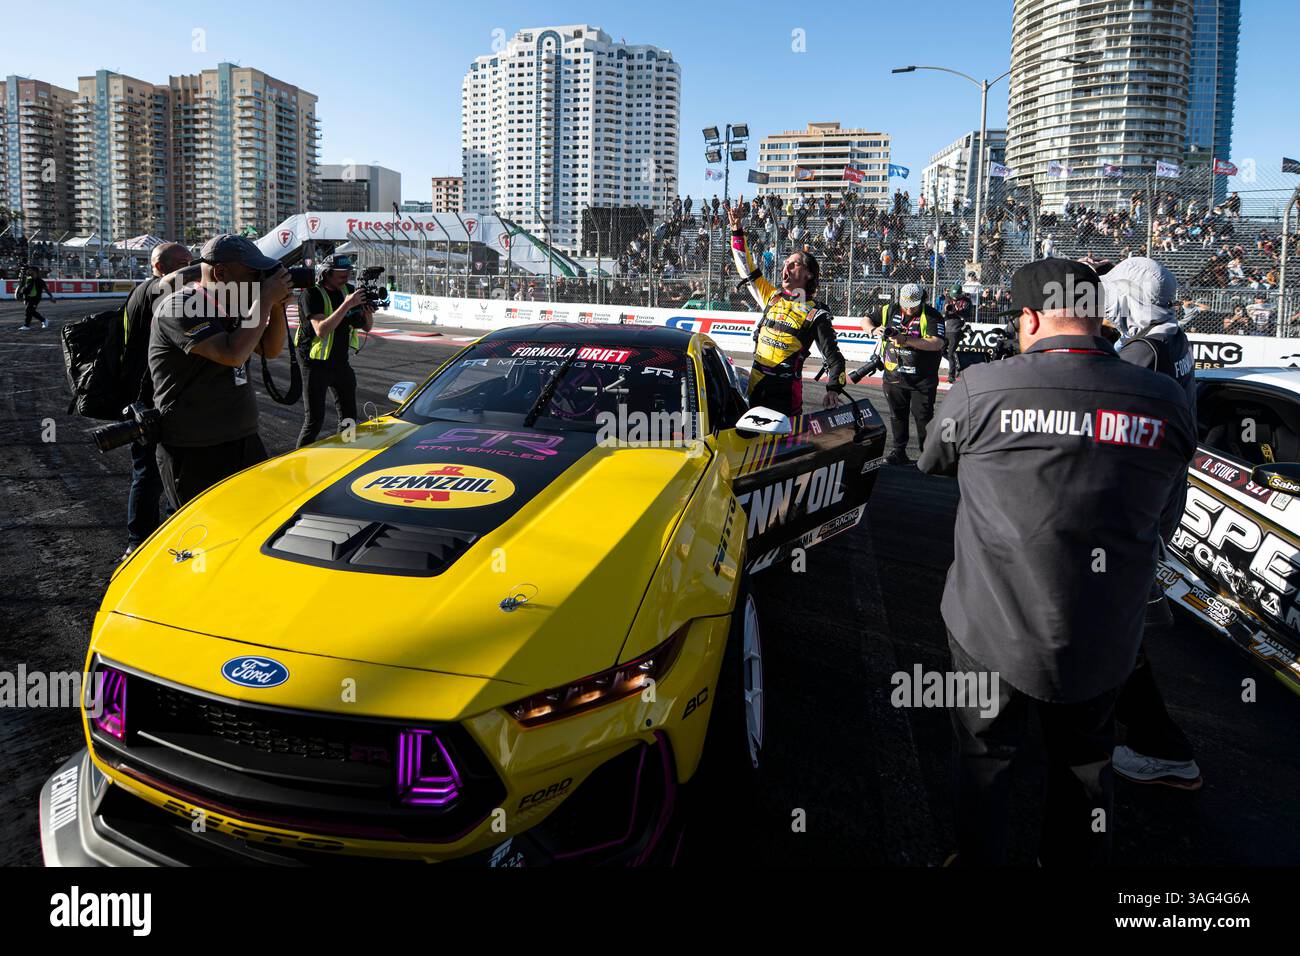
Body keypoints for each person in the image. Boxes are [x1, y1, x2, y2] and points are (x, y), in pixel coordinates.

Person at [918, 258, 1196, 865]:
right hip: (1106, 628)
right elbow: (1168, 505)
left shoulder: (981, 387)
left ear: (1030, 317)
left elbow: (930, 462)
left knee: (985, 756)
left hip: (989, 622)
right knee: (1087, 764)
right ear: (1097, 315)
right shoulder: (1166, 399)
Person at [1098, 257, 1202, 789]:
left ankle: (1159, 746)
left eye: (1110, 294)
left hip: (1136, 510)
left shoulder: (1141, 353)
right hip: (1164, 502)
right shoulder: (1175, 340)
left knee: (1109, 622)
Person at [148, 235, 291, 508]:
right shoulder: (181, 306)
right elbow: (233, 354)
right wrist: (264, 298)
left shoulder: (235, 305)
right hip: (195, 447)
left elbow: (270, 350)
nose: (258, 279)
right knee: (202, 536)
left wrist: (276, 304)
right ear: (220, 272)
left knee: (253, 524)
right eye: (252, 273)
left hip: (243, 438)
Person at [726, 195, 845, 416]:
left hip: (786, 394)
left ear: (809, 274)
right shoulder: (771, 296)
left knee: (783, 448)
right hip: (756, 386)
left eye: (794, 264)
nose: (786, 267)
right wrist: (736, 231)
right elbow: (746, 267)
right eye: (785, 263)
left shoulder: (815, 313)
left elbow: (833, 356)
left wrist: (834, 388)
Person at [118, 242, 193, 560]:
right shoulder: (152, 289)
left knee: (166, 470)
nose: (190, 268)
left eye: (191, 262)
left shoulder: (160, 292)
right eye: (182, 263)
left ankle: (161, 533)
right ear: (159, 267)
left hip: (156, 394)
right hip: (145, 399)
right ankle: (137, 543)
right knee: (149, 473)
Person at [294, 253, 375, 448]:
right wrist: (347, 304)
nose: (346, 277)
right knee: (314, 421)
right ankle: (298, 461)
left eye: (348, 273)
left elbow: (367, 327)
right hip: (314, 364)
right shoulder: (311, 294)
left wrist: (367, 312)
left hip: (340, 363)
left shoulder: (349, 290)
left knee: (349, 418)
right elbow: (321, 330)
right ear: (326, 274)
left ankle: (345, 452)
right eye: (341, 274)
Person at [866, 282, 944, 465]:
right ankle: (898, 451)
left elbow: (936, 343)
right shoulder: (890, 309)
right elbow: (865, 319)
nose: (909, 309)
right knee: (897, 415)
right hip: (894, 377)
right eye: (906, 305)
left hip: (922, 379)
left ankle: (927, 455)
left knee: (923, 416)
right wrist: (872, 329)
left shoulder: (931, 315)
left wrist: (906, 340)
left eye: (913, 305)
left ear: (922, 301)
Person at [942, 284, 972, 383]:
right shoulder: (948, 299)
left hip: (957, 329)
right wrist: (947, 310)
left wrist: (958, 311)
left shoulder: (966, 301)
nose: (954, 298)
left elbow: (967, 314)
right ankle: (957, 363)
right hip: (947, 328)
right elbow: (944, 313)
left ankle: (951, 375)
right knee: (941, 350)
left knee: (950, 353)